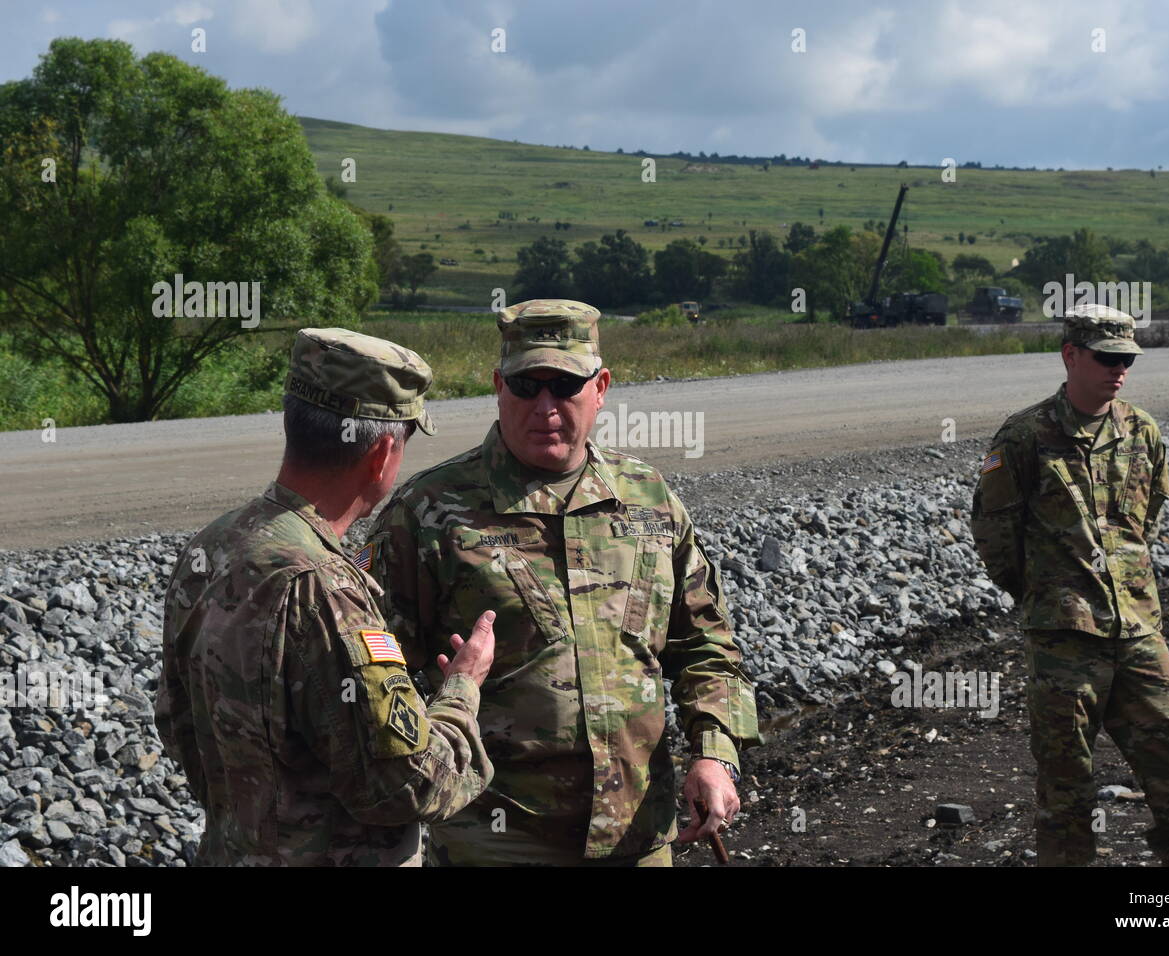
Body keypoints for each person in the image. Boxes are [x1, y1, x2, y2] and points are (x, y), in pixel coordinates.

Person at [366, 298, 759, 866]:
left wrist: (713, 757)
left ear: (600, 387)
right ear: (498, 386)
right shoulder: (429, 512)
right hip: (496, 844)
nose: (545, 406)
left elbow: (706, 647)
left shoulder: (647, 500)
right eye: (527, 386)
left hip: (637, 838)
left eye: (565, 386)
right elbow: (374, 678)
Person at [156, 328, 496, 866]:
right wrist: (462, 690)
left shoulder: (215, 543)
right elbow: (411, 785)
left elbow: (176, 721)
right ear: (383, 453)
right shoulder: (324, 589)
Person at [971, 304, 1169, 867]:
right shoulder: (1026, 436)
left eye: (1127, 359)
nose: (1119, 370)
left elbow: (1144, 523)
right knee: (1066, 779)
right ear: (1071, 355)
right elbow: (995, 534)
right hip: (1064, 634)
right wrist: (1047, 594)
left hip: (1136, 625)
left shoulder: (1141, 430)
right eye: (1107, 358)